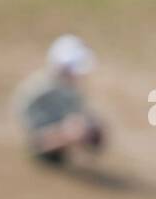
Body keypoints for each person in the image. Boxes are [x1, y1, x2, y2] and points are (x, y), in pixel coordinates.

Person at [12, 34, 105, 165]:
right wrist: (64, 135)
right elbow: (34, 139)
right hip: (44, 147)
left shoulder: (72, 91)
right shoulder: (37, 93)